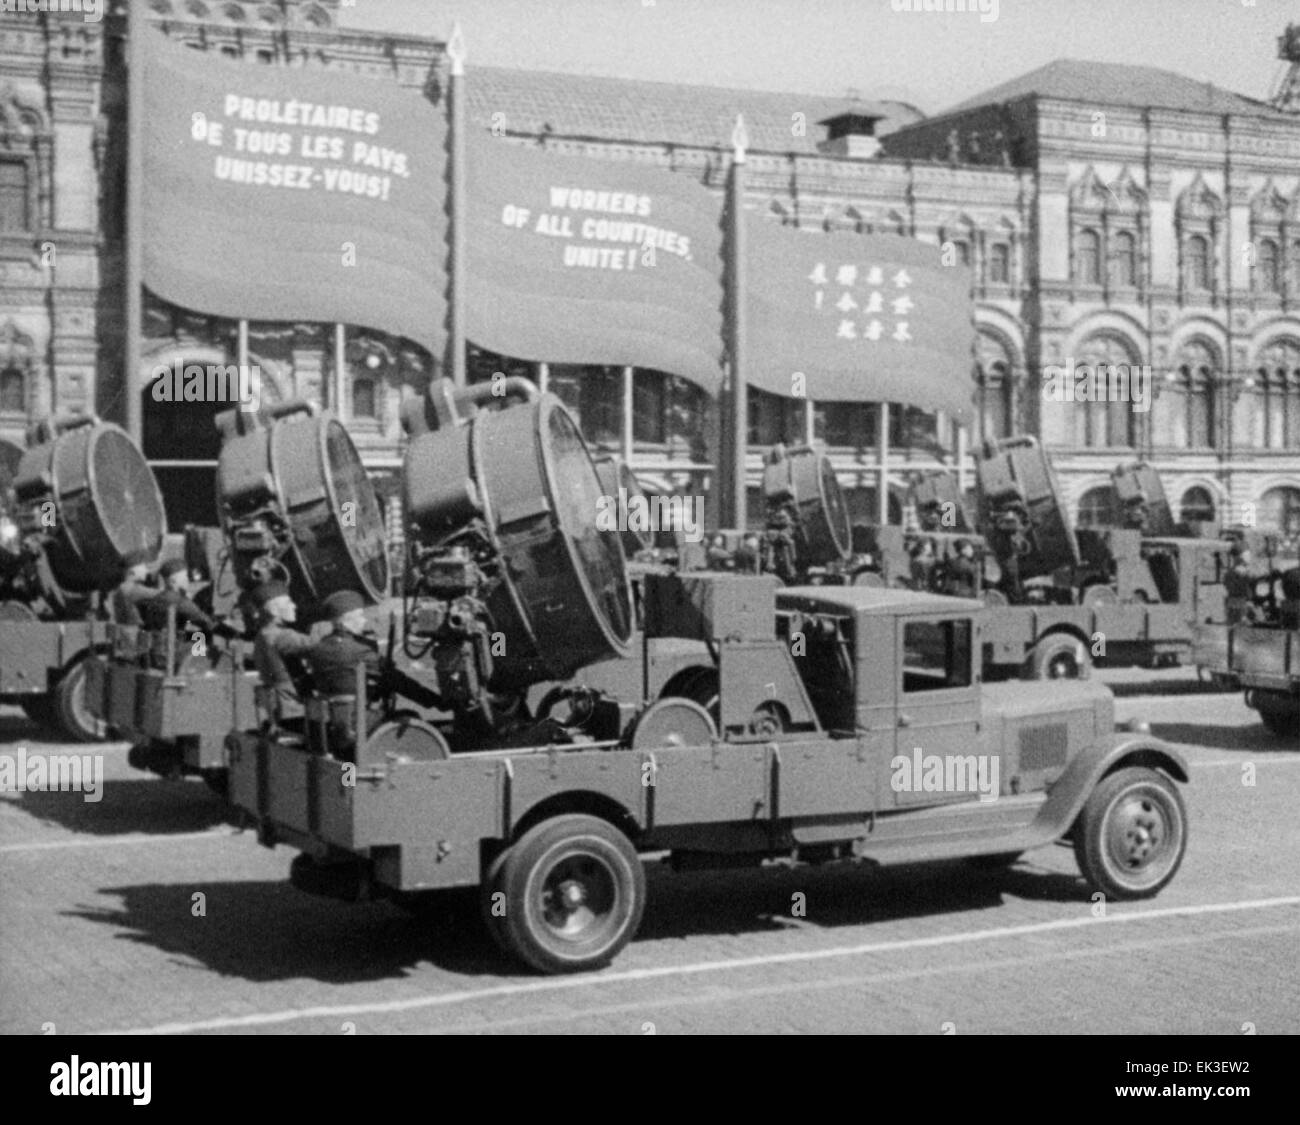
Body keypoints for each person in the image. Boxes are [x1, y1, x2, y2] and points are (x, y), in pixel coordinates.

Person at [304, 590, 439, 756]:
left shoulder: (318, 648)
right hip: (355, 723)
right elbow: (397, 680)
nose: (364, 620)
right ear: (347, 620)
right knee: (410, 716)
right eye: (360, 616)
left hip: (327, 724)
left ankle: (348, 778)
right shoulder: (359, 651)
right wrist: (436, 701)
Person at [251, 581, 313, 725]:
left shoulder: (263, 634)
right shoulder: (284, 636)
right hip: (293, 709)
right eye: (288, 602)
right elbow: (322, 649)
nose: (294, 606)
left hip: (276, 706)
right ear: (274, 610)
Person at [111, 562, 155, 626]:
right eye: (144, 567)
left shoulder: (121, 587)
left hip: (123, 625)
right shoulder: (132, 588)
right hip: (131, 626)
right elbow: (160, 595)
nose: (146, 570)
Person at [1223, 545, 1254, 625]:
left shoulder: (1229, 572)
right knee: (1242, 622)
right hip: (1241, 601)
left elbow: (1226, 584)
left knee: (1231, 622)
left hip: (1232, 601)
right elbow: (1250, 580)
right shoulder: (1242, 571)